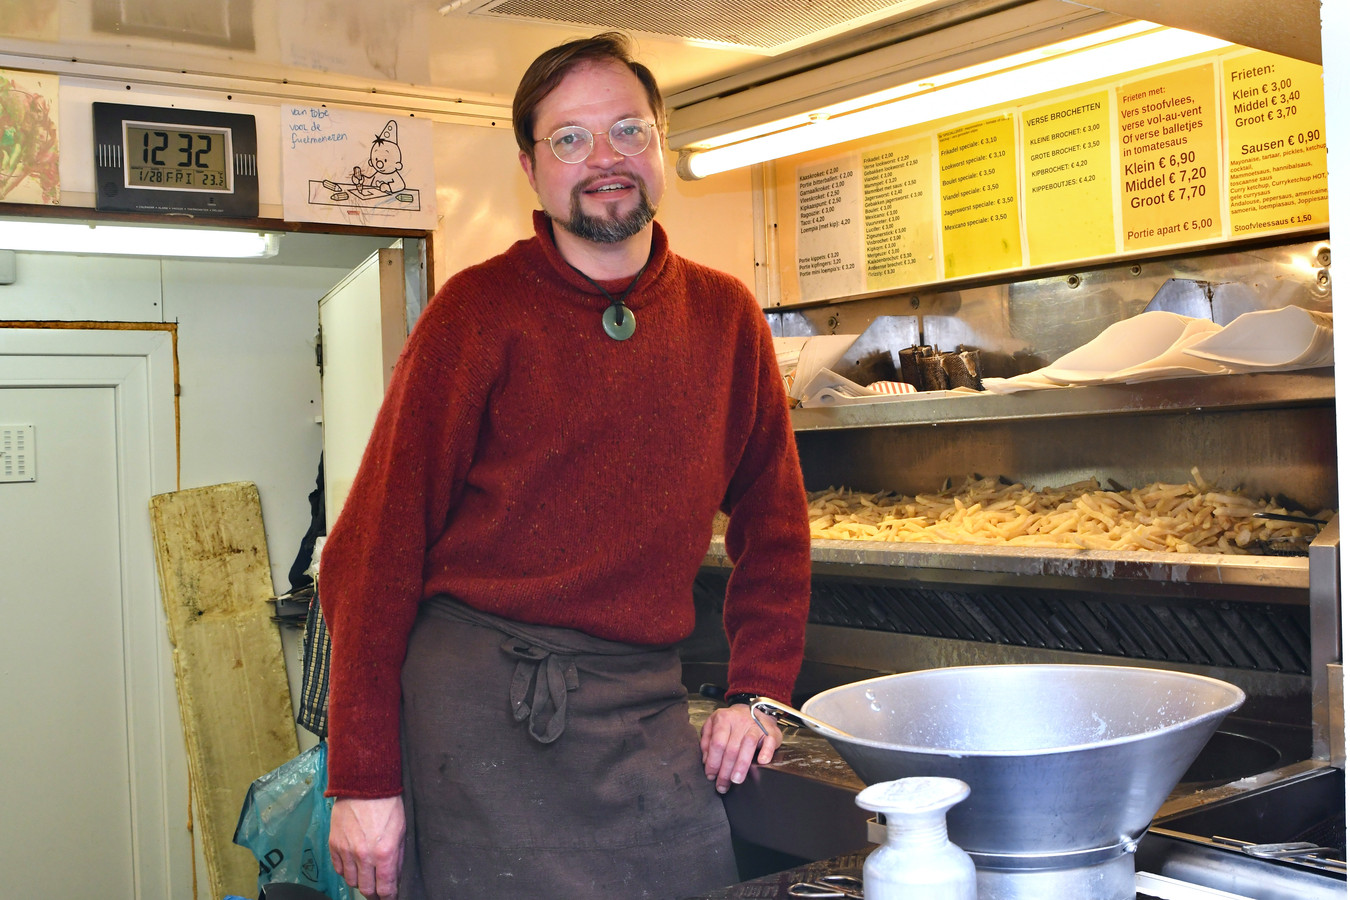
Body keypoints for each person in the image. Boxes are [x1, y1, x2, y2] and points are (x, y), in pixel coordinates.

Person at [320, 31, 812, 900]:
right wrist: (363, 779)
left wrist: (759, 691)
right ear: (531, 167)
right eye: (571, 138)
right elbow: (373, 549)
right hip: (477, 721)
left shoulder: (726, 316)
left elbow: (776, 527)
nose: (605, 158)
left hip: (643, 705)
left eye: (628, 130)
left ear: (661, 143)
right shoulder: (474, 313)